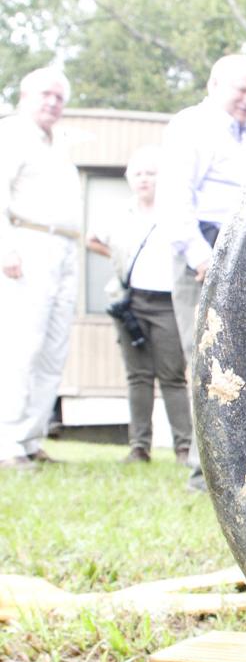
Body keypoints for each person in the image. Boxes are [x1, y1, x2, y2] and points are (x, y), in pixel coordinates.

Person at [158, 53, 246, 491]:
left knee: (235, 362)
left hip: (233, 251)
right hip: (204, 253)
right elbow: (174, 199)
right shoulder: (193, 127)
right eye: (242, 89)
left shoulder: (242, 139)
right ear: (214, 83)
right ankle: (205, 473)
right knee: (205, 360)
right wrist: (202, 258)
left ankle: (228, 464)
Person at [86, 146, 193, 465]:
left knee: (172, 375)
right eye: (138, 173)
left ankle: (184, 447)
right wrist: (120, 260)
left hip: (167, 302)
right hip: (130, 301)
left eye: (151, 173)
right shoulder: (119, 212)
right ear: (128, 178)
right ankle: (139, 446)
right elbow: (92, 239)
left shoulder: (174, 212)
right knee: (138, 376)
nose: (144, 179)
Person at [0, 67, 83, 470]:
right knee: (22, 345)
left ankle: (31, 438)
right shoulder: (11, 134)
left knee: (53, 348)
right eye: (44, 94)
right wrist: (5, 249)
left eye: (59, 97)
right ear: (24, 94)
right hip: (26, 242)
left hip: (65, 246)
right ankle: (8, 442)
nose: (52, 102)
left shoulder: (59, 144)